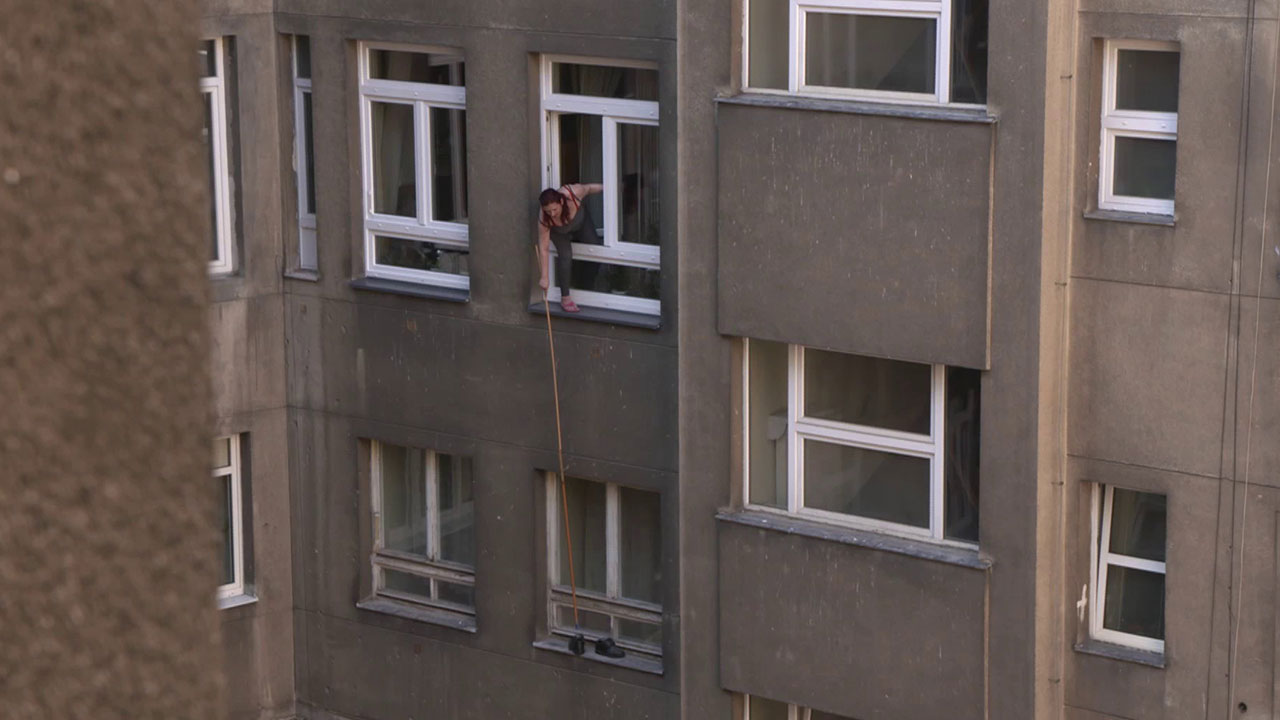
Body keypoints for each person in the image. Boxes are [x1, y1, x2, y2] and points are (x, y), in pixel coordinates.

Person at [536, 183, 603, 313]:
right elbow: (543, 247)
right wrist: (544, 277)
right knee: (565, 256)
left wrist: (609, 188)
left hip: (581, 222)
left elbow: (589, 188)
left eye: (554, 209)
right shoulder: (544, 218)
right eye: (548, 211)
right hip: (559, 232)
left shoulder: (574, 193)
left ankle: (586, 286)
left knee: (594, 248)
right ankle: (565, 298)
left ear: (561, 201)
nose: (552, 214)